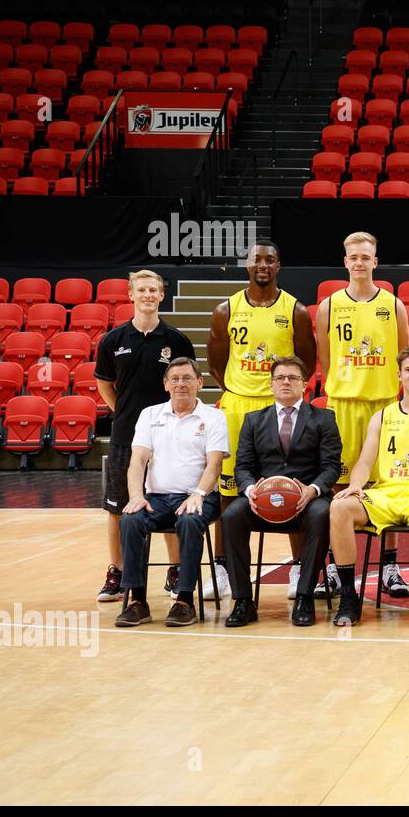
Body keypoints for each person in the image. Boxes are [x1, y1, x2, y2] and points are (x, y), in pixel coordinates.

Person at [207, 240, 317, 601]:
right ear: (247, 265)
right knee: (228, 490)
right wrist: (240, 389)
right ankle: (223, 569)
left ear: (279, 266)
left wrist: (280, 392)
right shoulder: (226, 310)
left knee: (292, 483)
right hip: (238, 406)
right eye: (257, 259)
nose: (263, 265)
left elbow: (306, 364)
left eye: (270, 259)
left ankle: (299, 567)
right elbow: (216, 363)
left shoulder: (296, 311)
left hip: (279, 405)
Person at [327, 346, 409, 627]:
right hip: (386, 494)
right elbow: (365, 461)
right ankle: (349, 597)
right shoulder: (383, 416)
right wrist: (356, 485)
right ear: (399, 375)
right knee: (339, 506)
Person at [316, 231, 409, 598]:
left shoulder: (393, 305)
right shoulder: (329, 306)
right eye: (353, 257)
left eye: (365, 257)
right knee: (338, 488)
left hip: (383, 404)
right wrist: (346, 384)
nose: (359, 262)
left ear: (375, 261)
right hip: (343, 405)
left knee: (387, 485)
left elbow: (404, 355)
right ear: (345, 262)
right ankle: (335, 569)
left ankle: (389, 567)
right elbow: (326, 359)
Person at [94, 270, 196, 604]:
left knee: (170, 501)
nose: (148, 295)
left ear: (161, 295)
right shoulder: (113, 340)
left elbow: (186, 383)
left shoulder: (176, 340)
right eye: (142, 290)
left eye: (153, 289)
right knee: (118, 508)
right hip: (126, 435)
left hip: (169, 435)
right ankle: (117, 572)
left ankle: (176, 570)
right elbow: (105, 384)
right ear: (131, 294)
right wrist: (129, 415)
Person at [220, 355, 342, 628]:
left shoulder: (324, 418)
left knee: (322, 513)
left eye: (293, 378)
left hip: (306, 501)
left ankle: (304, 597)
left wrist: (313, 490)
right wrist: (251, 490)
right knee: (231, 516)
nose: (286, 382)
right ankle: (243, 601)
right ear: (271, 384)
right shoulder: (253, 420)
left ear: (304, 385)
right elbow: (243, 467)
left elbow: (331, 466)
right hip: (263, 500)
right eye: (280, 378)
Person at [114, 358, 228, 628]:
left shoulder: (214, 417)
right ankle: (137, 601)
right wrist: (136, 496)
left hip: (199, 497)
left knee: (189, 520)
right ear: (165, 384)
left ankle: (185, 601)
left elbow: (215, 464)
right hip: (156, 499)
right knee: (130, 520)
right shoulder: (149, 415)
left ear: (199, 383)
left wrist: (198, 493)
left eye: (187, 378)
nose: (181, 384)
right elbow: (137, 461)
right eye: (174, 379)